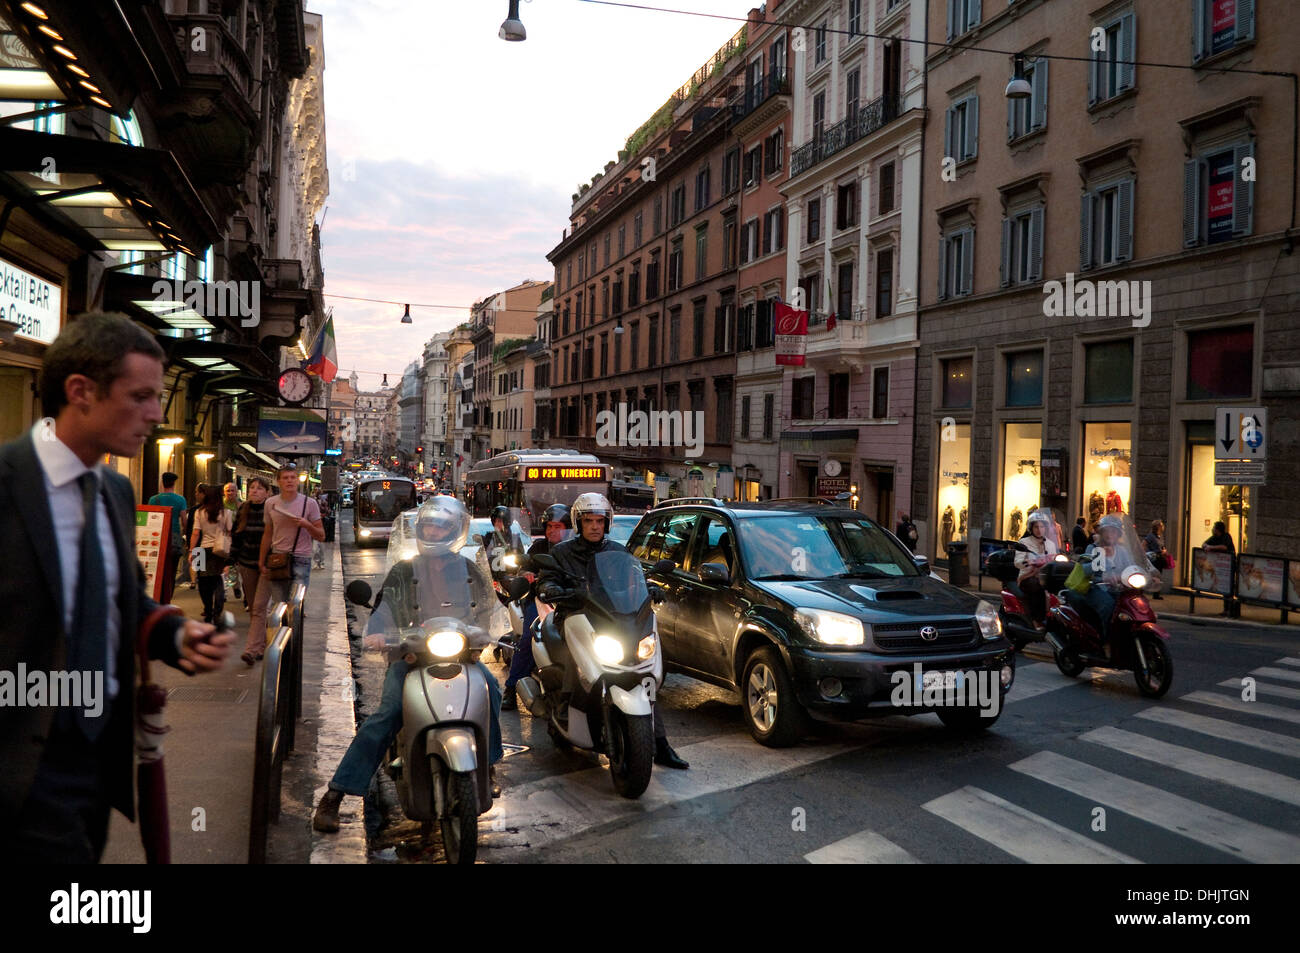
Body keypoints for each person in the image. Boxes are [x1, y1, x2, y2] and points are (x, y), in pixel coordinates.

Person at [0, 312, 231, 862]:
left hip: (97, 761)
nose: (155, 414)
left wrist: (175, 636)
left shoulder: (112, 490)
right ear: (80, 391)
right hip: (19, 766)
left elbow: (120, 601)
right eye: (141, 396)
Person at [314, 497, 505, 832]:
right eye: (428, 525)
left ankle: (488, 766)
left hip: (460, 656)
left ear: (455, 531)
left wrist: (490, 630)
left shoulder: (469, 568)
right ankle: (335, 794)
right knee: (386, 715)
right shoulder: (404, 570)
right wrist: (376, 633)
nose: (432, 531)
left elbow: (487, 607)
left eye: (440, 526)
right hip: (411, 658)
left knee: (491, 690)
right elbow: (384, 607)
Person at [536, 493, 689, 770]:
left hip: (612, 619)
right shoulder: (562, 553)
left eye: (600, 521)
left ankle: (662, 744)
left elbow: (635, 579)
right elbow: (546, 581)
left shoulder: (618, 552)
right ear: (578, 523)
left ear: (607, 523)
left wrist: (650, 589)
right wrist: (551, 589)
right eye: (589, 521)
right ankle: (566, 701)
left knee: (644, 673)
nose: (595, 526)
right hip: (575, 616)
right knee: (578, 650)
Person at [501, 503, 572, 711]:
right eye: (549, 526)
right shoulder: (539, 547)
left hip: (571, 602)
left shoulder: (575, 549)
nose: (552, 531)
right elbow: (525, 567)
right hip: (541, 601)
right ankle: (511, 689)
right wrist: (526, 575)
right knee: (530, 638)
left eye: (557, 526)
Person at [257, 464, 325, 605]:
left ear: (297, 481)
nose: (289, 481)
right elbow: (267, 534)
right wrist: (262, 560)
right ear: (278, 481)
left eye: (293, 477)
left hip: (301, 558)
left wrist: (306, 524)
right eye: (285, 478)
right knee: (279, 604)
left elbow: (321, 536)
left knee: (295, 605)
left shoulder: (310, 503)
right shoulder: (271, 503)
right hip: (278, 558)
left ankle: (295, 626)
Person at [1081, 514, 1138, 640]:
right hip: (1097, 588)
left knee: (1135, 605)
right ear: (1101, 533)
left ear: (1118, 534)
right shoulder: (1093, 547)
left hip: (1119, 588)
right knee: (1108, 605)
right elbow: (1084, 569)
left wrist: (1147, 573)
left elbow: (1130, 567)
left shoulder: (1122, 550)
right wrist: (1100, 558)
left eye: (1113, 531)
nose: (1109, 535)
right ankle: (1105, 639)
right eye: (1106, 531)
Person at [233, 477, 270, 664]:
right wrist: (231, 560)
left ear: (267, 492)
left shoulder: (271, 509)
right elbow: (236, 535)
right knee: (253, 607)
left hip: (266, 566)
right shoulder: (243, 509)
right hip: (246, 563)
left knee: (259, 607)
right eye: (252, 488)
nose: (255, 491)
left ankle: (251, 649)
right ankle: (261, 644)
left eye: (259, 488)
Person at [190, 484, 233, 625]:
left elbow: (196, 533)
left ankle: (207, 610)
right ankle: (217, 611)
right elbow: (229, 532)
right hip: (219, 550)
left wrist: (191, 551)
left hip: (202, 549)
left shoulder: (199, 512)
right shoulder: (226, 513)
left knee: (202, 581)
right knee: (218, 580)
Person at [1013, 509, 1058, 628]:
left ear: (1046, 528)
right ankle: (1037, 619)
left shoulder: (1051, 544)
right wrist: (1028, 562)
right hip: (1028, 576)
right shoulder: (1024, 542)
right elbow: (1017, 562)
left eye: (1042, 527)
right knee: (1037, 587)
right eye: (1036, 527)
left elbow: (1054, 560)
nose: (1039, 530)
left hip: (1046, 576)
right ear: (1031, 528)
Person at [147, 471, 187, 605]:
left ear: (162, 482)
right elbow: (184, 520)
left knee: (158, 567)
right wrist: (185, 534)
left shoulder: (153, 499)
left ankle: (157, 595)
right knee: (172, 569)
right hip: (174, 536)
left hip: (157, 536)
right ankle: (168, 597)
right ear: (174, 484)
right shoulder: (180, 500)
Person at [177, 483, 206, 590]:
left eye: (197, 492)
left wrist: (189, 543)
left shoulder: (195, 510)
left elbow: (190, 528)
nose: (195, 494)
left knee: (196, 559)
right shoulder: (211, 508)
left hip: (198, 538)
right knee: (200, 561)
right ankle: (198, 579)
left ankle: (194, 581)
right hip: (204, 539)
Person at [1143, 520, 1168, 600]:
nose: (1163, 527)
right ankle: (1143, 591)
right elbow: (1143, 544)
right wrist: (1146, 554)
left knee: (1158, 576)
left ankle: (1156, 594)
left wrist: (1164, 551)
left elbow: (1161, 546)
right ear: (1157, 527)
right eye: (1161, 525)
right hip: (1154, 559)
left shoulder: (1160, 536)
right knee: (1152, 575)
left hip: (1160, 558)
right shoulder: (1151, 536)